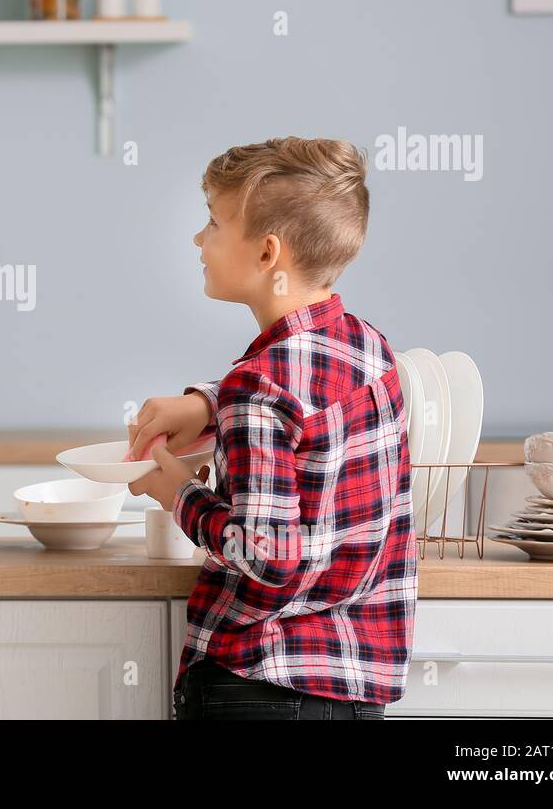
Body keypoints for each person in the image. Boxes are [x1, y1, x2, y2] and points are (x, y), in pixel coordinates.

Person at [125, 137, 417, 720]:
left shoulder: (255, 389)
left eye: (212, 223)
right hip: (356, 689)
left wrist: (178, 493)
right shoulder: (371, 349)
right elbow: (308, 394)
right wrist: (209, 405)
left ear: (266, 254)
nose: (197, 240)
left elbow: (267, 559)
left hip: (255, 687)